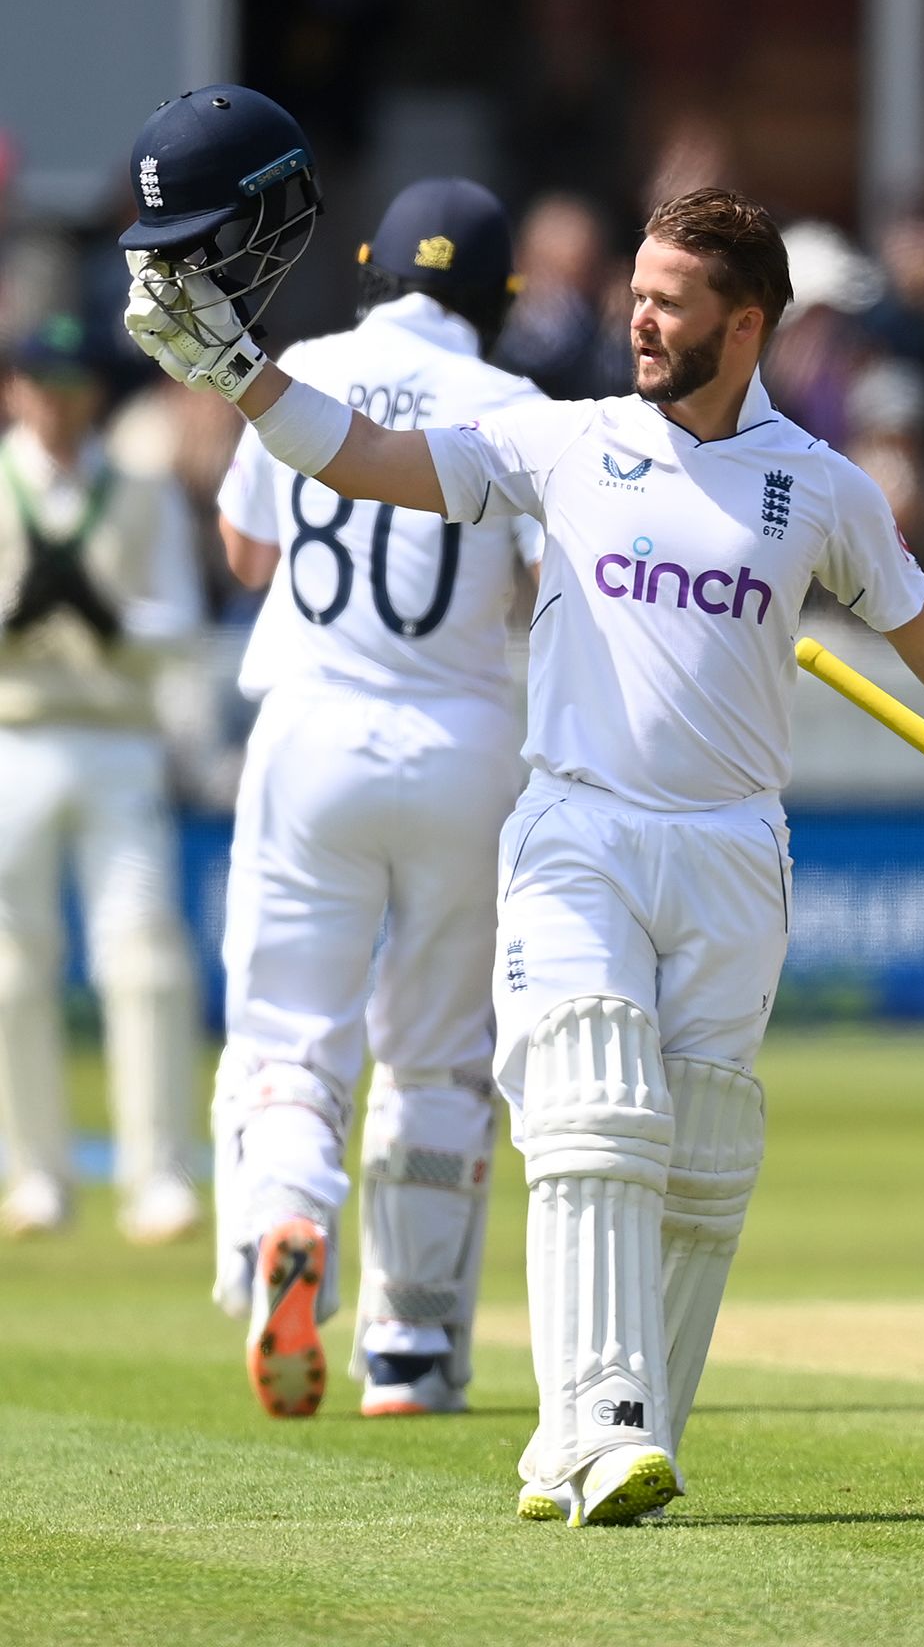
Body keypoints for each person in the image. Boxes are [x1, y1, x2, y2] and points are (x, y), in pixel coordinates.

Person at [121, 89, 924, 1524]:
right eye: (636, 297)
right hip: (579, 830)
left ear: (749, 327)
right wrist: (239, 374)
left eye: (673, 306)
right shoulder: (564, 444)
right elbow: (358, 456)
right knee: (592, 1105)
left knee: (705, 1153)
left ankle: (601, 1439)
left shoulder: (820, 490)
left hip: (735, 849)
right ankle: (606, 1421)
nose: (642, 324)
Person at [214, 171, 544, 1418]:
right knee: (439, 1055)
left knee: (289, 1034)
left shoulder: (302, 360)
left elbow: (248, 552)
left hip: (312, 735)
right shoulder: (511, 402)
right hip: (464, 744)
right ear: (495, 298)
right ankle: (407, 1349)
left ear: (374, 269)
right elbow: (534, 586)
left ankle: (290, 1223)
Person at [0, 312, 202, 1242]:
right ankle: (33, 1174)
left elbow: (181, 621)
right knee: (12, 968)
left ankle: (155, 1174)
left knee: (146, 959)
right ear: (17, 390)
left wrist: (111, 619)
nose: (59, 404)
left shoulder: (140, 486)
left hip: (118, 739)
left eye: (75, 386)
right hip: (17, 736)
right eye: (44, 384)